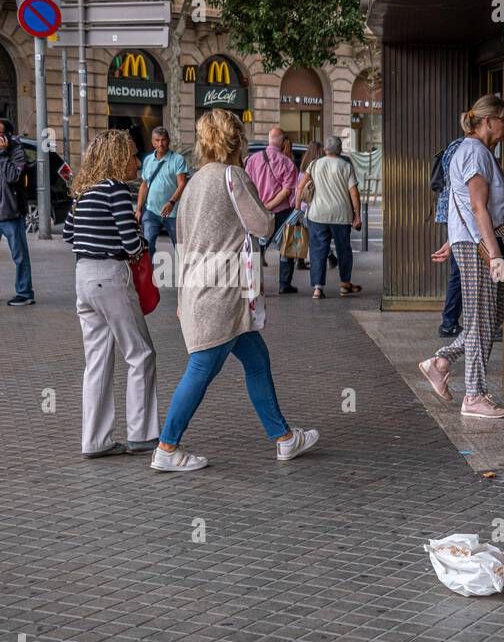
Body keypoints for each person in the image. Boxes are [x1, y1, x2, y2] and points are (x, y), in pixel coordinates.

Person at [152, 108, 319, 473]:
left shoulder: (194, 182)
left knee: (256, 359)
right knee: (201, 368)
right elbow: (262, 225)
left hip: (201, 290)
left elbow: (183, 240)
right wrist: (293, 195)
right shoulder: (233, 175)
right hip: (223, 294)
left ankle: (284, 439)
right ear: (235, 140)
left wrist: (181, 298)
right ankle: (167, 446)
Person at [62, 129, 159, 457]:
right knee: (140, 353)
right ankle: (142, 433)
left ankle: (96, 439)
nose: (136, 162)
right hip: (110, 276)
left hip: (83, 277)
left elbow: (67, 234)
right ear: (118, 157)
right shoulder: (116, 190)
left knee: (97, 360)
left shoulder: (83, 191)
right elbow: (131, 244)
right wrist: (141, 240)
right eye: (132, 155)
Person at [418, 95, 504, 419]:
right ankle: (473, 394)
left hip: (476, 243)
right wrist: (494, 254)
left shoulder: (479, 151)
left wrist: (455, 238)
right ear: (488, 121)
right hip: (481, 246)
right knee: (481, 316)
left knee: (492, 311)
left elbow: (466, 204)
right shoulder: (474, 152)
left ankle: (441, 361)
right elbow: (477, 206)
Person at [294, 135, 362, 300]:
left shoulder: (315, 164)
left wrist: (297, 207)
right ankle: (345, 284)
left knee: (318, 251)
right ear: (340, 150)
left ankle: (318, 288)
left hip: (317, 215)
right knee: (344, 250)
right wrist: (357, 216)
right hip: (341, 216)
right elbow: (354, 193)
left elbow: (300, 187)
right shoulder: (346, 166)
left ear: (325, 150)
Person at [243, 127, 298, 295]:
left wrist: (261, 206)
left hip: (258, 210)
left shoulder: (253, 159)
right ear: (282, 142)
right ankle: (284, 284)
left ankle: (254, 284)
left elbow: (247, 185)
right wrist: (272, 205)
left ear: (269, 139)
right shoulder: (287, 163)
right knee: (286, 246)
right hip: (282, 212)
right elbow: (288, 190)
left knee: (256, 248)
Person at [135, 126, 188, 255]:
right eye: (157, 140)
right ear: (152, 142)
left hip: (173, 213)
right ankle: (149, 275)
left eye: (163, 140)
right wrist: (138, 209)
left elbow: (182, 184)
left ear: (168, 140)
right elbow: (144, 185)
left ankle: (185, 274)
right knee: (147, 246)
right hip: (151, 212)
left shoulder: (178, 159)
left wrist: (171, 202)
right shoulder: (148, 160)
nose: (160, 144)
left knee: (181, 248)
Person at [432, 135, 465, 337]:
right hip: (455, 214)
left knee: (459, 270)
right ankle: (449, 322)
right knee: (459, 270)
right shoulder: (465, 148)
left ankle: (450, 321)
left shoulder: (455, 145)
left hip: (451, 212)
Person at [0, 118, 34, 306]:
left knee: (19, 256)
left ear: (7, 135)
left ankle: (25, 293)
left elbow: (13, 176)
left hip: (11, 214)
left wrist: (3, 155)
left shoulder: (17, 153)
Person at [294, 141, 336, 272]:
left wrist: (297, 207)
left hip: (303, 207)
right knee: (318, 235)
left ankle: (300, 260)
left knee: (304, 235)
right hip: (316, 208)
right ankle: (329, 257)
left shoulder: (302, 171)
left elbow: (298, 189)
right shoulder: (320, 170)